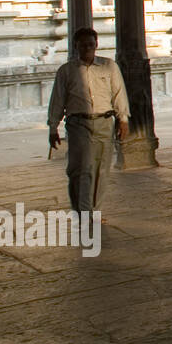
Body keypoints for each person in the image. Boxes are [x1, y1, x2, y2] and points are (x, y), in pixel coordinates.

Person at [48, 27, 129, 214]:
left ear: (96, 44)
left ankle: (94, 210)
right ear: (75, 45)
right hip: (78, 124)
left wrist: (123, 119)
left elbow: (119, 93)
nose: (87, 48)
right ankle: (83, 211)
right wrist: (53, 128)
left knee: (101, 169)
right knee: (81, 169)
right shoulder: (66, 71)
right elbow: (57, 100)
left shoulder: (109, 66)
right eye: (83, 44)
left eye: (91, 44)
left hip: (104, 122)